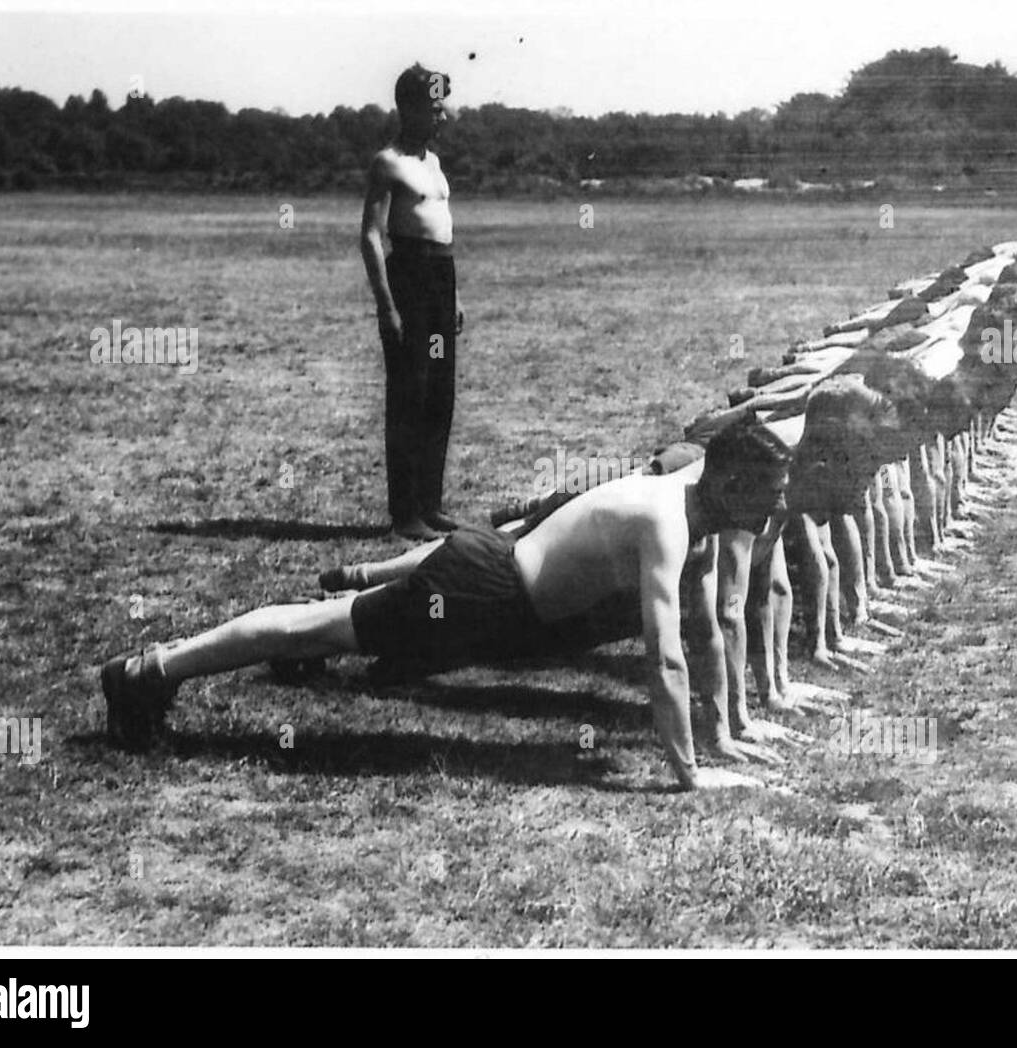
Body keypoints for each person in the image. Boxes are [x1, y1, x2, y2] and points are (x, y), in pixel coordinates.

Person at [101, 419, 795, 791]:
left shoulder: (700, 502)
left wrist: (731, 732)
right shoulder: (667, 523)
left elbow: (709, 629)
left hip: (495, 597)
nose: (779, 505)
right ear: (731, 478)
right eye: (769, 490)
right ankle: (146, 672)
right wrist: (691, 774)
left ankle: (168, 669)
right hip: (480, 594)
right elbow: (666, 657)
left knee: (331, 631)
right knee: (322, 625)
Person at [361, 64, 465, 541]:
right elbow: (369, 236)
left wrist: (455, 297)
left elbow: (444, 232)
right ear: (410, 108)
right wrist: (388, 306)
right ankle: (405, 512)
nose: (442, 115)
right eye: (434, 106)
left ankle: (430, 504)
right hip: (410, 282)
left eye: (443, 105)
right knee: (410, 393)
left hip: (441, 282)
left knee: (440, 393)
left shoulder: (435, 164)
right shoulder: (388, 162)